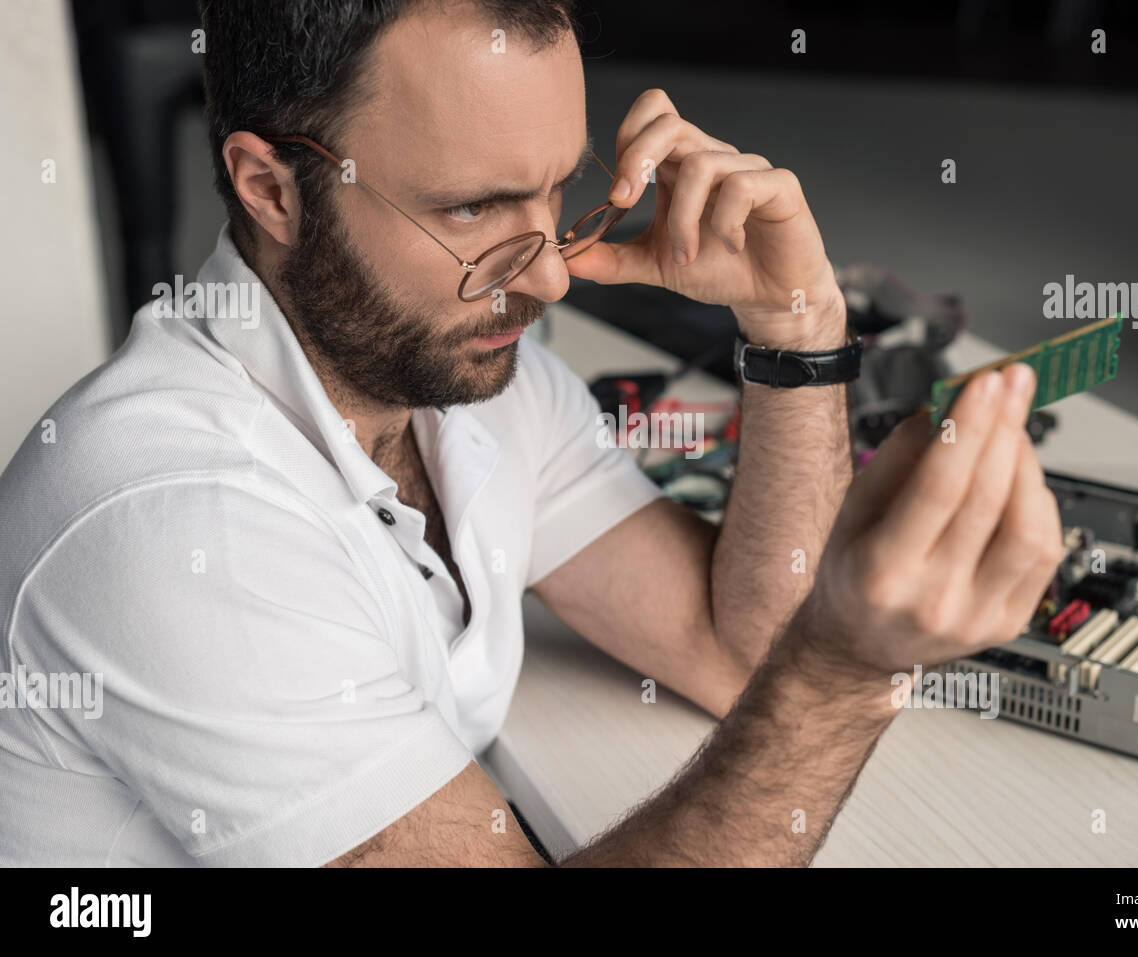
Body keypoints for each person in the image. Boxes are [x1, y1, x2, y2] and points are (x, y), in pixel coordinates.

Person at [0, 0, 1062, 866]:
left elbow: (736, 648)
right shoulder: (174, 524)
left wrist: (795, 332)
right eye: (471, 211)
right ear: (271, 187)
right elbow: (791, 665)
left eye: (557, 195)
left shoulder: (480, 383)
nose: (550, 276)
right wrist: (839, 676)